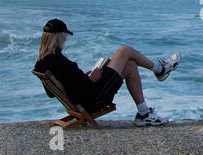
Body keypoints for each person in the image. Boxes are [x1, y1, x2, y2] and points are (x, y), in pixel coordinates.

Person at [34, 18, 179, 126]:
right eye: (64, 37)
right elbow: (80, 89)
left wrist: (81, 78)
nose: (65, 40)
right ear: (58, 37)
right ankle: (160, 69)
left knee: (130, 64)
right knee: (124, 51)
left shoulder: (42, 63)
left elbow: (52, 93)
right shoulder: (59, 61)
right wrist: (93, 78)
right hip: (94, 98)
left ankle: (144, 113)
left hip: (85, 98)